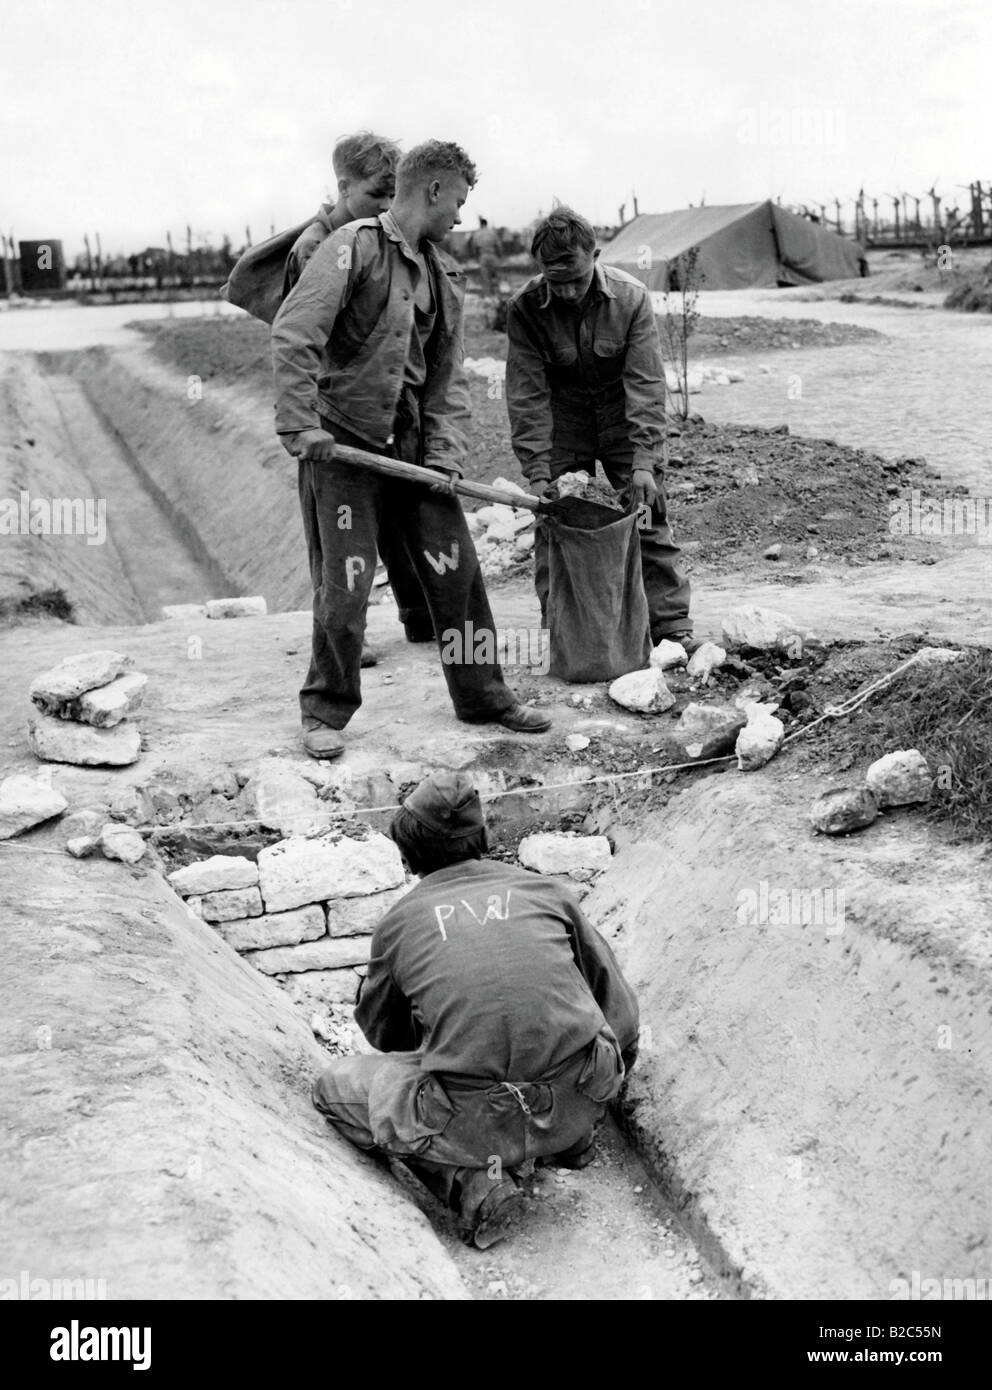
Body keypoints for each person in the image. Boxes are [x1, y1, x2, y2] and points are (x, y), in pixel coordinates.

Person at [271, 140, 551, 761]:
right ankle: (324, 711)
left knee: (460, 581)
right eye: (458, 200)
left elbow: (447, 381)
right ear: (432, 190)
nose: (460, 214)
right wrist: (300, 425)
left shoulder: (443, 274)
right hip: (345, 448)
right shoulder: (352, 248)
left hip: (416, 454)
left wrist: (445, 454)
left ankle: (484, 698)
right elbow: (295, 332)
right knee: (345, 588)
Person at [312, 771, 639, 1248]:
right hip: (579, 1098)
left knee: (333, 1087)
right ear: (485, 837)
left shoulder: (400, 924)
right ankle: (569, 1141)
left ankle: (474, 1185)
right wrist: (601, 1093)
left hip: (474, 1124)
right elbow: (616, 1002)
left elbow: (385, 1036)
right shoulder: (547, 893)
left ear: (407, 856)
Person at [505, 206, 694, 649]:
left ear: (596, 255)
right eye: (556, 281)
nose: (568, 292)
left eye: (576, 278)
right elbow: (526, 395)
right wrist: (537, 472)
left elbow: (646, 383)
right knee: (556, 523)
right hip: (563, 422)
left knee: (646, 515)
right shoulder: (525, 309)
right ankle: (563, 629)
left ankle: (669, 625)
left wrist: (646, 461)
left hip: (620, 419)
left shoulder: (631, 299)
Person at [283, 133, 435, 657]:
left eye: (394, 195)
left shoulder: (387, 240)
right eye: (375, 195)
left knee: (399, 520)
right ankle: (345, 637)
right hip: (338, 413)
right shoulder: (319, 246)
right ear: (343, 186)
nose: (386, 207)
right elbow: (305, 335)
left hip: (389, 406)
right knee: (341, 538)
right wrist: (303, 420)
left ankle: (418, 615)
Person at [467, 216, 503, 298]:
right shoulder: (493, 232)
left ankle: (488, 297)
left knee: (485, 278)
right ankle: (498, 296)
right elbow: (499, 246)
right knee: (496, 277)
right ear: (487, 224)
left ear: (481, 224)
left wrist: (476, 258)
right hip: (493, 255)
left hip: (483, 256)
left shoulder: (477, 234)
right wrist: (500, 256)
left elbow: (474, 248)